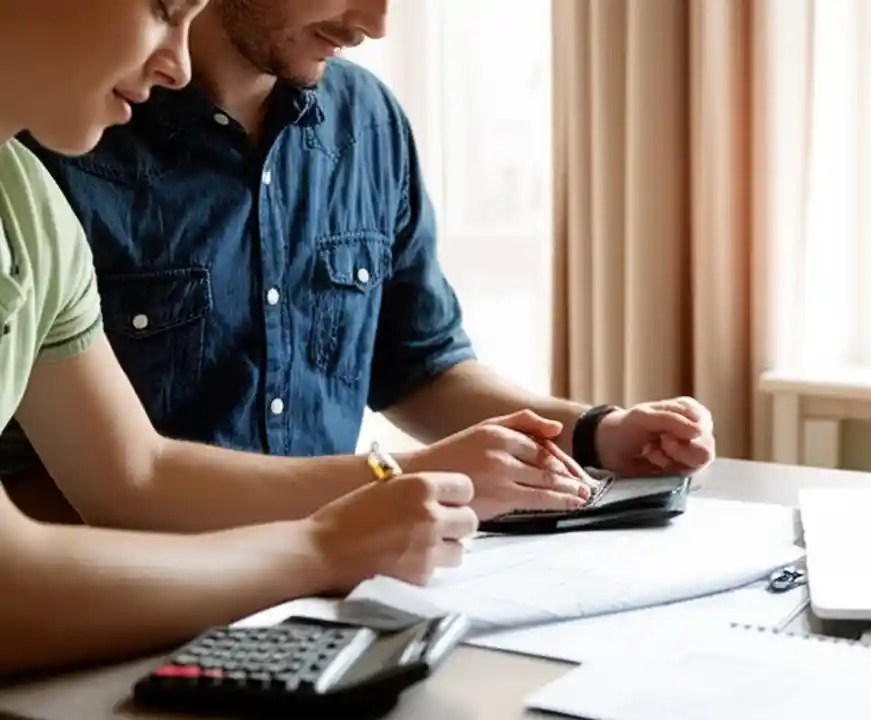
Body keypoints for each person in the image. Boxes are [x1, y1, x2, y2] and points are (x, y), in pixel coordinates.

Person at [2, 0, 718, 529]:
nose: (375, 22)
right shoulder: (57, 127)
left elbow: (419, 366)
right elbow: (116, 481)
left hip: (331, 572)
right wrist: (389, 485)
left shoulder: (369, 122)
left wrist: (594, 431)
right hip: (125, 586)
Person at [0, 0, 477, 677]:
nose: (177, 63)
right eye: (166, 10)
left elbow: (137, 475)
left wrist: (393, 493)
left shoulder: (28, 206)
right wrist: (321, 548)